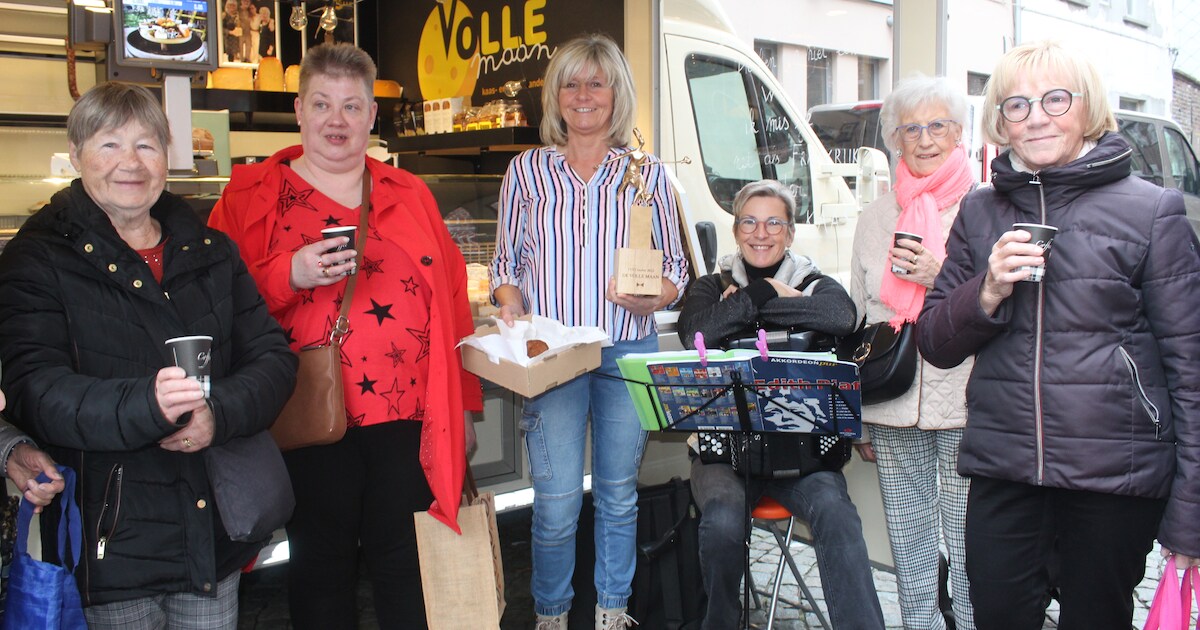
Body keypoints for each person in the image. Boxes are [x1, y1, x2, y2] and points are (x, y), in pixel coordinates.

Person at [917, 40, 1200, 630]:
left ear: (1088, 107)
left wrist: (1192, 512)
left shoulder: (1152, 211)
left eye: (1055, 98)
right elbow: (936, 343)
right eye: (1017, 105)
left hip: (1112, 475)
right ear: (1001, 122)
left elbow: (1190, 369)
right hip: (1005, 468)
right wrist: (988, 289)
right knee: (996, 614)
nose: (1036, 116)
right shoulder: (980, 210)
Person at [0, 82, 297, 628]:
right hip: (111, 542)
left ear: (166, 156)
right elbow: (34, 389)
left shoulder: (212, 251)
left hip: (212, 536)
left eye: (146, 145)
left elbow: (275, 360)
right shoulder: (35, 259)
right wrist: (147, 404)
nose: (129, 163)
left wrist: (218, 413)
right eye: (109, 145)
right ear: (76, 154)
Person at [209, 42, 483, 630]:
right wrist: (290, 273)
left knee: (407, 562)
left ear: (371, 118)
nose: (337, 120)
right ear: (300, 109)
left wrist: (458, 407)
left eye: (352, 106)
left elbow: (453, 303)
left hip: (408, 413)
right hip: (305, 410)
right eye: (323, 103)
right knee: (321, 563)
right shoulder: (250, 196)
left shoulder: (410, 194)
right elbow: (212, 302)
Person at [489, 33, 689, 630]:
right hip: (553, 353)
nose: (583, 95)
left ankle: (611, 611)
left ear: (615, 94)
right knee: (552, 503)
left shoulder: (645, 173)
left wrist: (652, 294)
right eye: (571, 83)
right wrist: (511, 307)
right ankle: (551, 614)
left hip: (627, 348)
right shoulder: (527, 171)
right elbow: (506, 265)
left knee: (618, 494)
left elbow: (675, 272)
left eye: (595, 83)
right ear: (556, 95)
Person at [677, 179, 884, 630]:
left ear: (790, 234)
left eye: (774, 223)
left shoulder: (815, 281)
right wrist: (769, 292)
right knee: (723, 523)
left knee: (838, 517)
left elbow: (840, 316)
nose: (761, 232)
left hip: (803, 459)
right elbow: (696, 330)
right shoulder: (710, 287)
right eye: (749, 221)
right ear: (735, 231)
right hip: (724, 457)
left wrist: (749, 306)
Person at [848, 76, 977, 630]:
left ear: (959, 132)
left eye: (937, 126)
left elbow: (1004, 302)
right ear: (895, 139)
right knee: (909, 538)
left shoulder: (985, 207)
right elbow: (859, 317)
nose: (924, 140)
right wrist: (860, 418)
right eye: (911, 128)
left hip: (970, 402)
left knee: (973, 540)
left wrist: (940, 274)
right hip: (893, 401)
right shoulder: (875, 216)